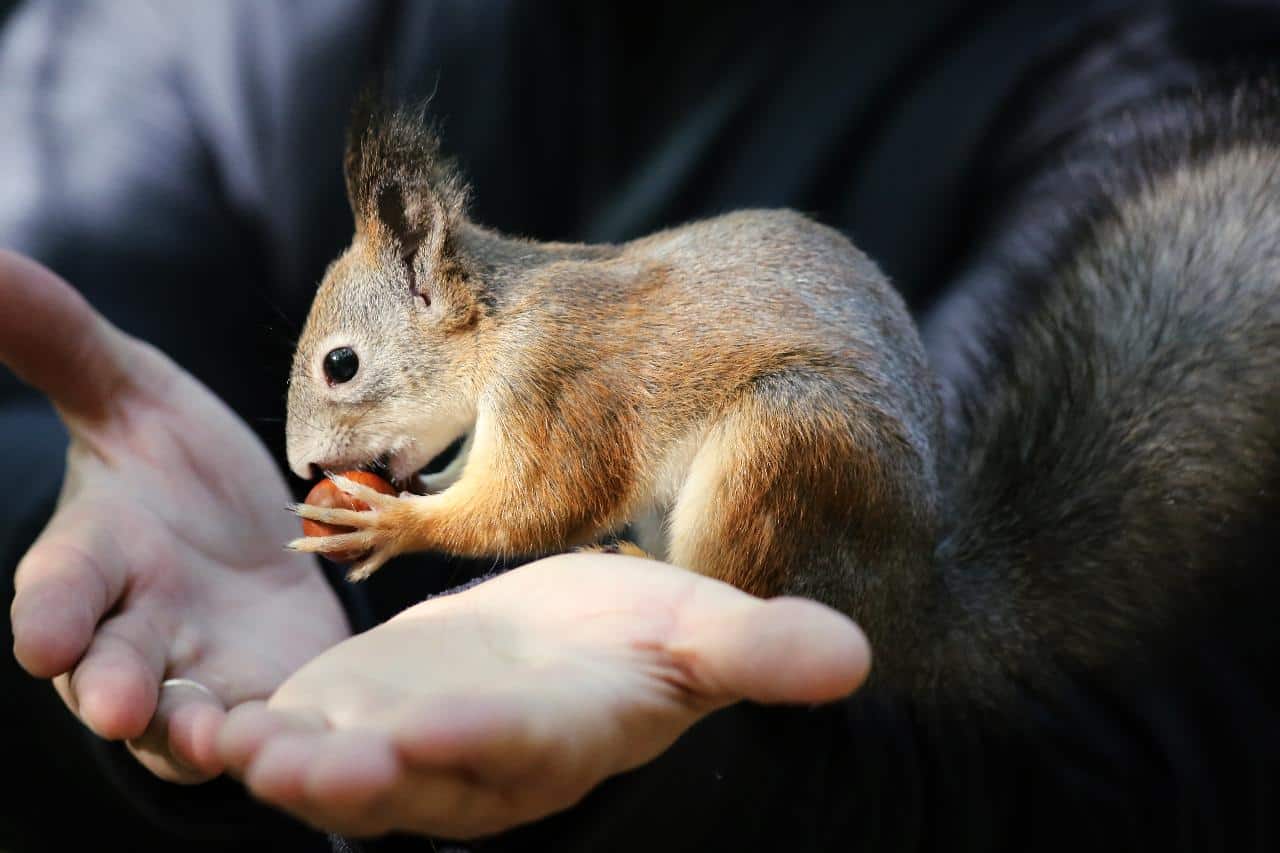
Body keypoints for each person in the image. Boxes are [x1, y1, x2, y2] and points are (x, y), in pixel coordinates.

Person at [3, 1, 1279, 851]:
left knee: (763, 442)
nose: (322, 446)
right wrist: (73, 516)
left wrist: (680, 768)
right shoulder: (205, 41)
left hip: (823, 492)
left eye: (345, 377)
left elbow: (546, 497)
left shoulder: (1106, 63)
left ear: (436, 286)